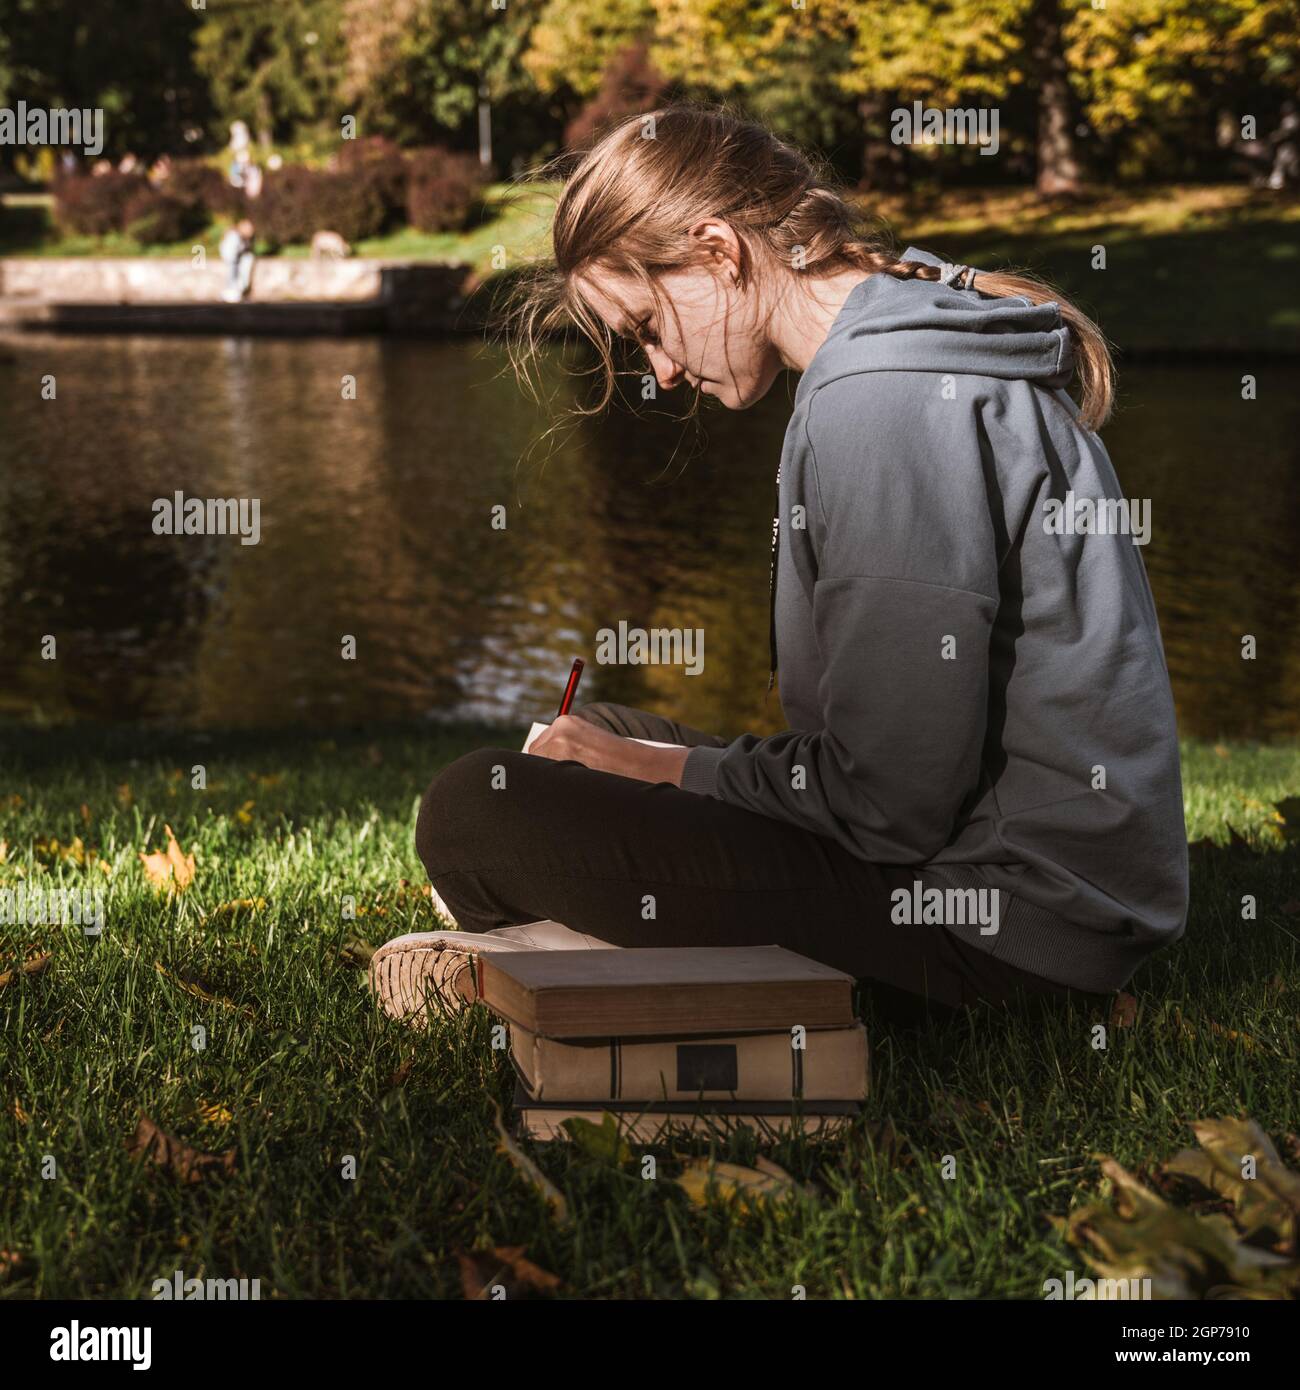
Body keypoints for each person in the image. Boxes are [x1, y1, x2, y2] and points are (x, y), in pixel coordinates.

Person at [370, 104, 1189, 1030]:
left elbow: (890, 808)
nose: (662, 371)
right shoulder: (906, 327)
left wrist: (658, 773)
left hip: (996, 932)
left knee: (477, 810)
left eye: (646, 325)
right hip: (1018, 878)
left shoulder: (881, 406)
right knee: (595, 731)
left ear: (718, 250)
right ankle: (591, 915)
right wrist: (640, 759)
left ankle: (566, 946)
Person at [218, 219, 256, 302]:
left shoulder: (240, 237)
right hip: (232, 260)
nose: (251, 232)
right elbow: (229, 252)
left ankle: (233, 293)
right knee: (232, 276)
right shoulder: (234, 236)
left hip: (234, 260)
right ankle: (230, 293)